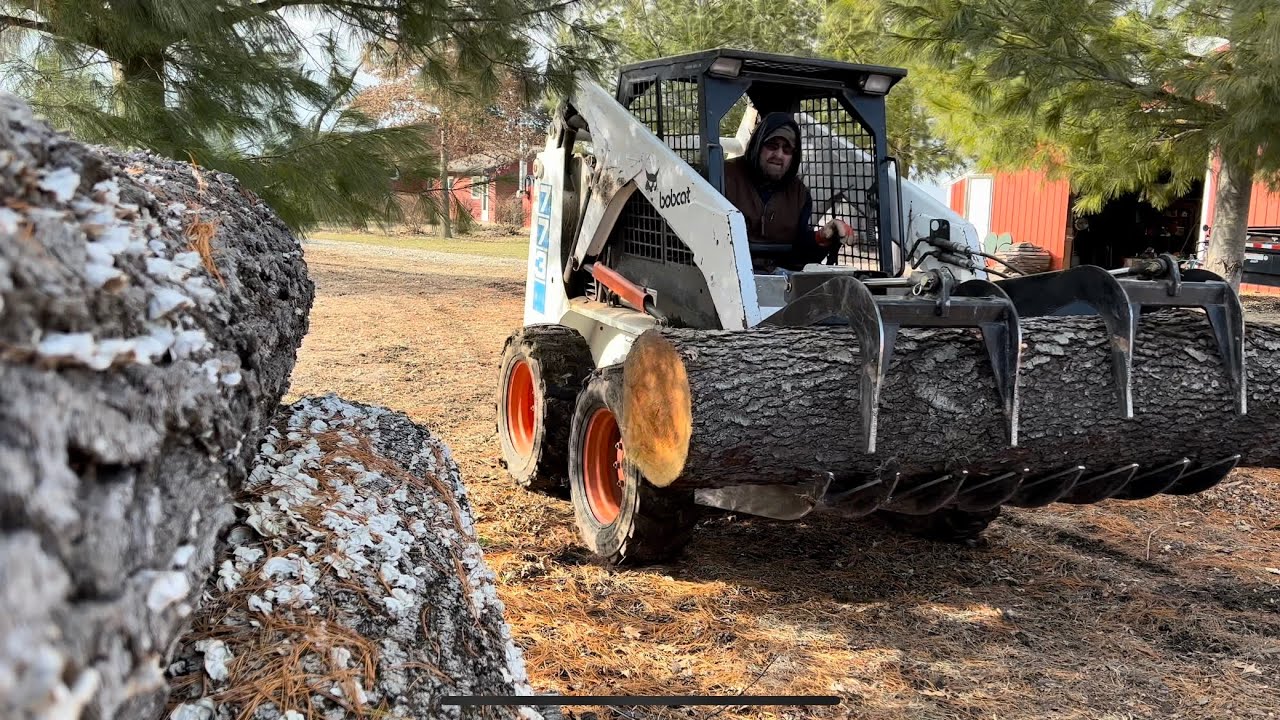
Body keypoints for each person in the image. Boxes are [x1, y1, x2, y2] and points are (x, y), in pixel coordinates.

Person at [722, 111, 853, 271]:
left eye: (787, 150)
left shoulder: (799, 194)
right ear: (757, 145)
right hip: (726, 279)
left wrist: (822, 237)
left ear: (794, 156)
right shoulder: (723, 177)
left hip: (780, 285)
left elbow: (798, 257)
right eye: (772, 146)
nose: (779, 155)